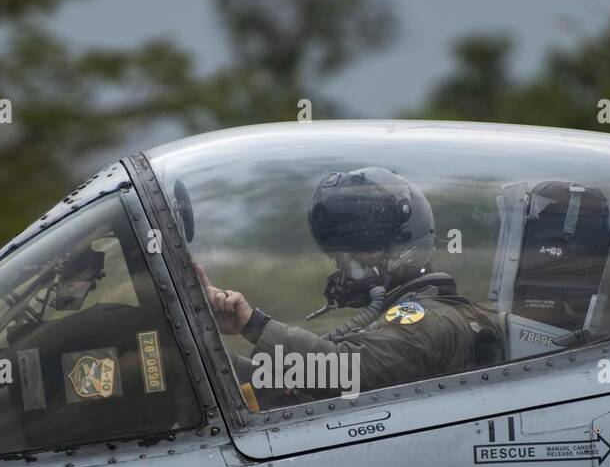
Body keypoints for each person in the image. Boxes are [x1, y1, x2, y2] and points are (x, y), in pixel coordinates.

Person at [197, 167, 502, 405]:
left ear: (402, 246)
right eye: (339, 253)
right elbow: (305, 389)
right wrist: (215, 365)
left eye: (361, 247)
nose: (345, 264)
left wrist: (254, 323)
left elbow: (345, 373)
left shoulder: (423, 321)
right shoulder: (395, 315)